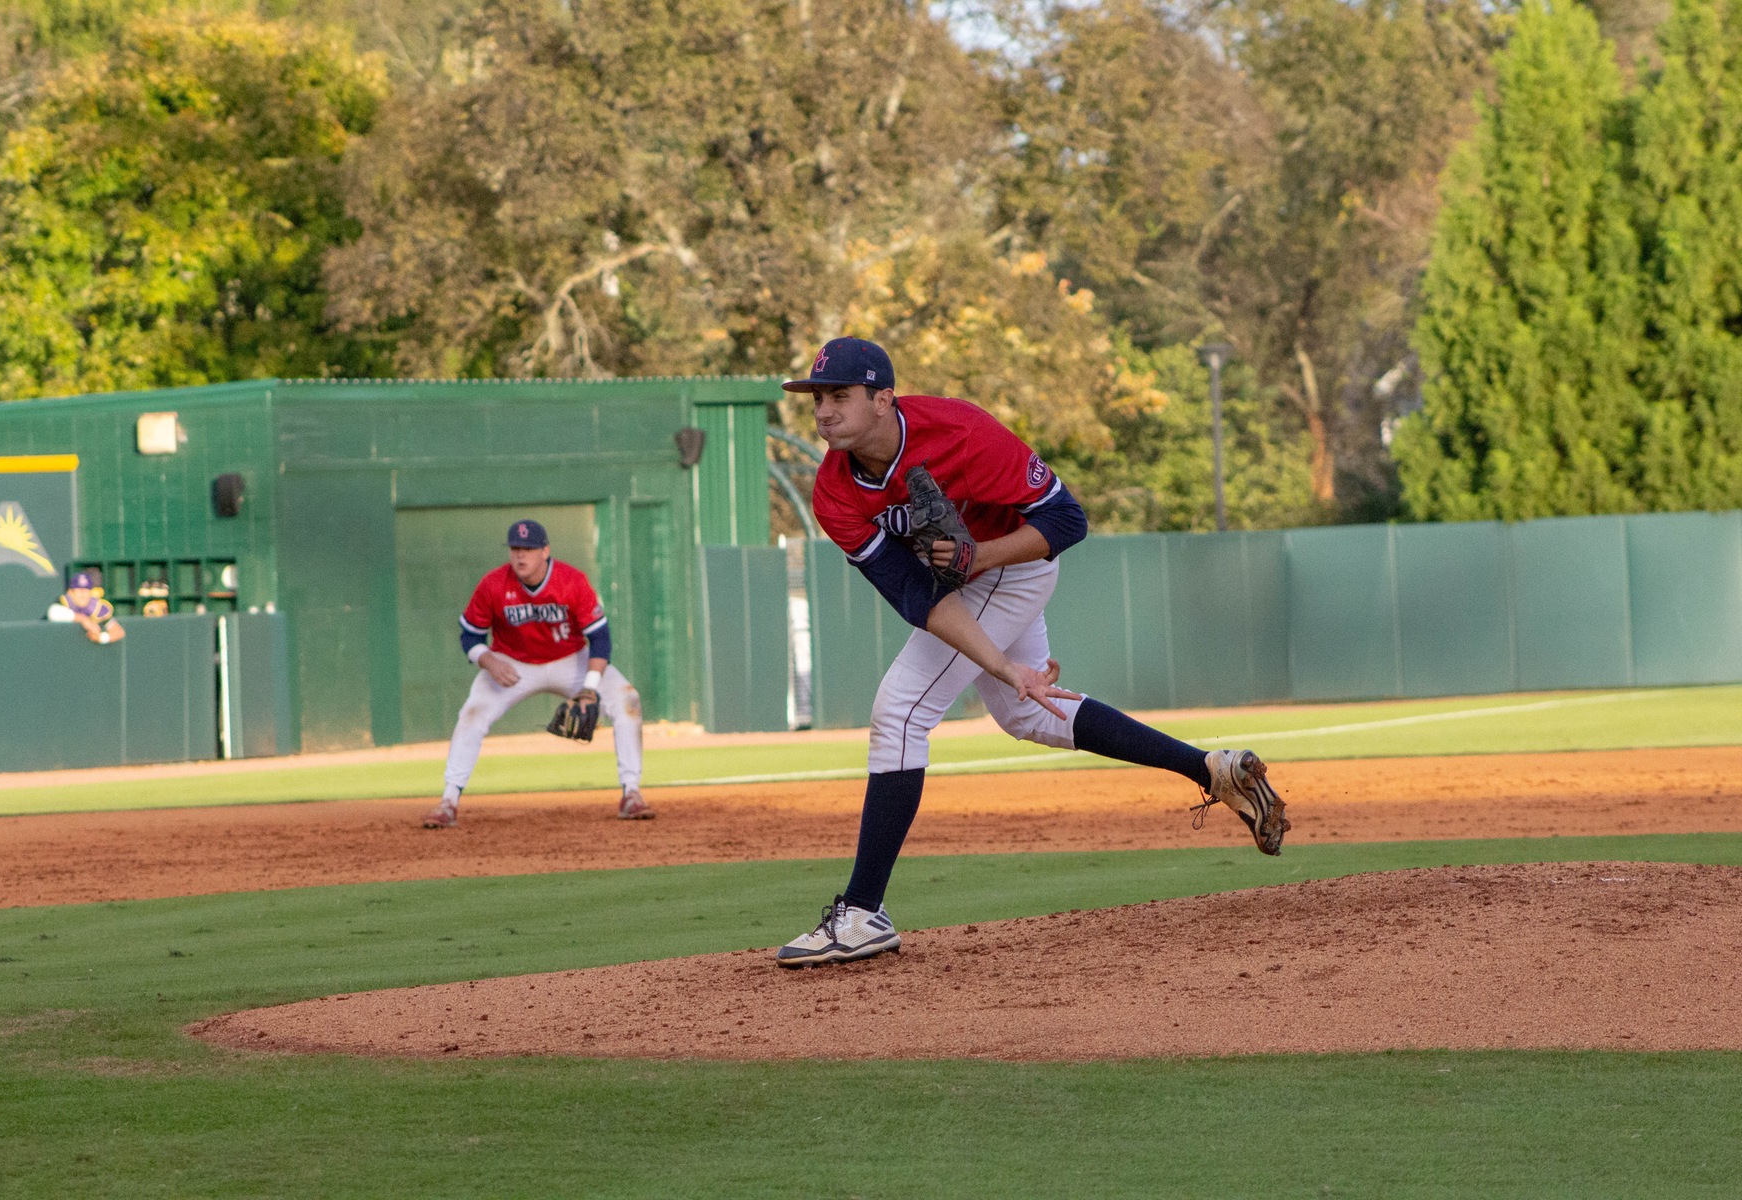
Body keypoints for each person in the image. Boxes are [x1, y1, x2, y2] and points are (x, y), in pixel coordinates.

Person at [774, 337, 1290, 967]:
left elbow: (1067, 520)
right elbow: (917, 597)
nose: (823, 411)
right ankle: (1211, 767)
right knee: (1026, 714)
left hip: (1011, 567)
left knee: (901, 711)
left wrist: (980, 557)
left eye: (839, 395)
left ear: (883, 398)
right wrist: (1002, 665)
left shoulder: (960, 431)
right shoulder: (834, 490)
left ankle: (861, 914)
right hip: (951, 590)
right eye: (817, 398)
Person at [423, 520, 652, 828]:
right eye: (515, 549)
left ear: (545, 551)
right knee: (472, 713)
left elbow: (600, 638)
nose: (520, 557)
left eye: (528, 549)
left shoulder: (571, 581)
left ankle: (632, 794)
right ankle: (448, 801)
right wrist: (488, 660)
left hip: (570, 660)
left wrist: (589, 687)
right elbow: (469, 636)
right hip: (512, 664)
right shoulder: (493, 585)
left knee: (628, 701)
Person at [47, 571, 126, 644]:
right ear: (70, 592)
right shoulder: (64, 603)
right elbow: (53, 613)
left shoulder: (96, 607)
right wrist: (83, 619)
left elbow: (119, 632)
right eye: (79, 590)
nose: (83, 595)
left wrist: (102, 638)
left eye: (86, 590)